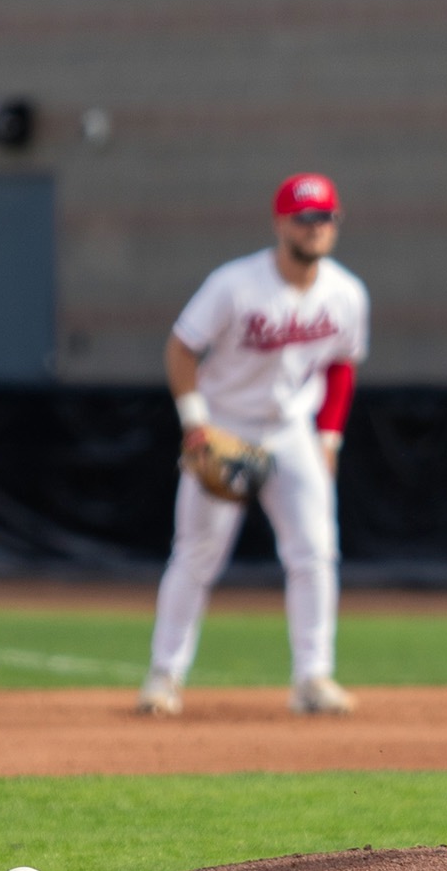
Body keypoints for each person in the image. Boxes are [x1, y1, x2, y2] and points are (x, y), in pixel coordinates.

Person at [137, 173, 369, 718]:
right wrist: (195, 426)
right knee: (197, 555)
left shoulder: (347, 292)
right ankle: (163, 677)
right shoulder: (235, 285)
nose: (315, 228)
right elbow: (180, 349)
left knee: (315, 553)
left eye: (325, 218)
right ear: (281, 222)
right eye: (304, 218)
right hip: (225, 425)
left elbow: (341, 366)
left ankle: (312, 679)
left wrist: (329, 437)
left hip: (293, 431)